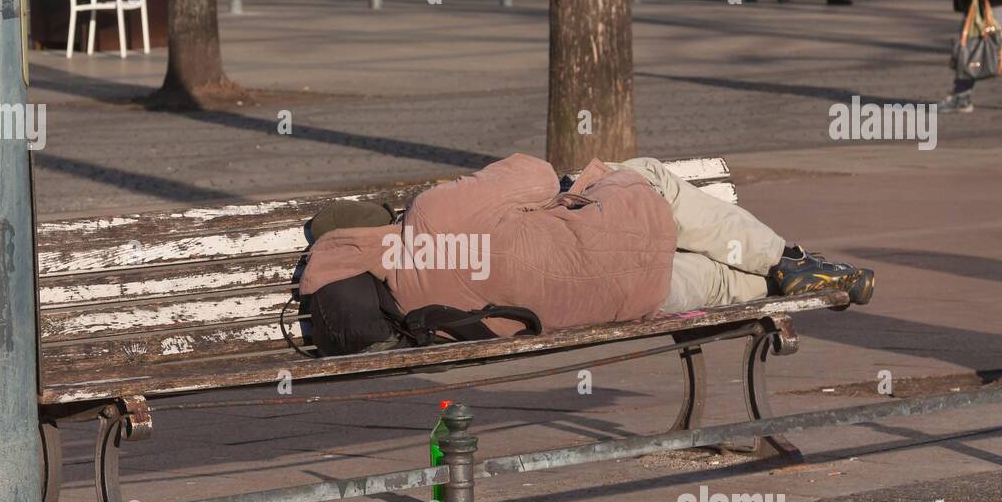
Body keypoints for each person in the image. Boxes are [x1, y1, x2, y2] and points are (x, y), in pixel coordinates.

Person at [299, 153, 873, 342]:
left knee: (717, 283)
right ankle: (788, 263)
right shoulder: (431, 217)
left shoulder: (426, 319)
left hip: (630, 298)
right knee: (647, 176)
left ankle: (778, 277)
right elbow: (539, 175)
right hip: (608, 238)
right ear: (377, 227)